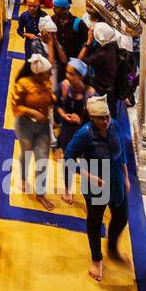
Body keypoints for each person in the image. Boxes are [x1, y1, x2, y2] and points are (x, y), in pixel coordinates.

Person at [65, 95, 130, 282]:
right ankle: (97, 259)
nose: (106, 121)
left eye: (108, 116)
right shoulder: (85, 134)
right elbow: (69, 159)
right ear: (92, 118)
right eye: (102, 118)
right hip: (95, 185)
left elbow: (122, 152)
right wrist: (90, 176)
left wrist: (126, 176)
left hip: (116, 179)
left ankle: (112, 249)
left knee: (121, 217)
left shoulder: (115, 126)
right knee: (95, 222)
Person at [11, 52, 55, 209]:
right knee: (26, 153)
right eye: (47, 72)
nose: (50, 74)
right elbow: (15, 107)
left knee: (42, 159)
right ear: (38, 73)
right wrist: (32, 112)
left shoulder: (47, 83)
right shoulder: (23, 84)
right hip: (25, 125)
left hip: (43, 125)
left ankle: (41, 193)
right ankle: (23, 177)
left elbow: (51, 101)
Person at [54, 58, 94, 203]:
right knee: (68, 160)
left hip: (84, 132)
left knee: (84, 161)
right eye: (67, 73)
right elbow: (57, 105)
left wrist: (81, 120)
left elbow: (97, 119)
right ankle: (67, 189)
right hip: (67, 130)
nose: (68, 77)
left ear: (81, 76)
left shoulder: (90, 95)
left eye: (71, 74)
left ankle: (88, 188)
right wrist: (64, 115)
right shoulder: (64, 87)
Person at [82, 21, 121, 118]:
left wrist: (88, 43)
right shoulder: (113, 46)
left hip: (103, 91)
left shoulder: (101, 55)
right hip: (113, 88)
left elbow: (79, 62)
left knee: (104, 116)